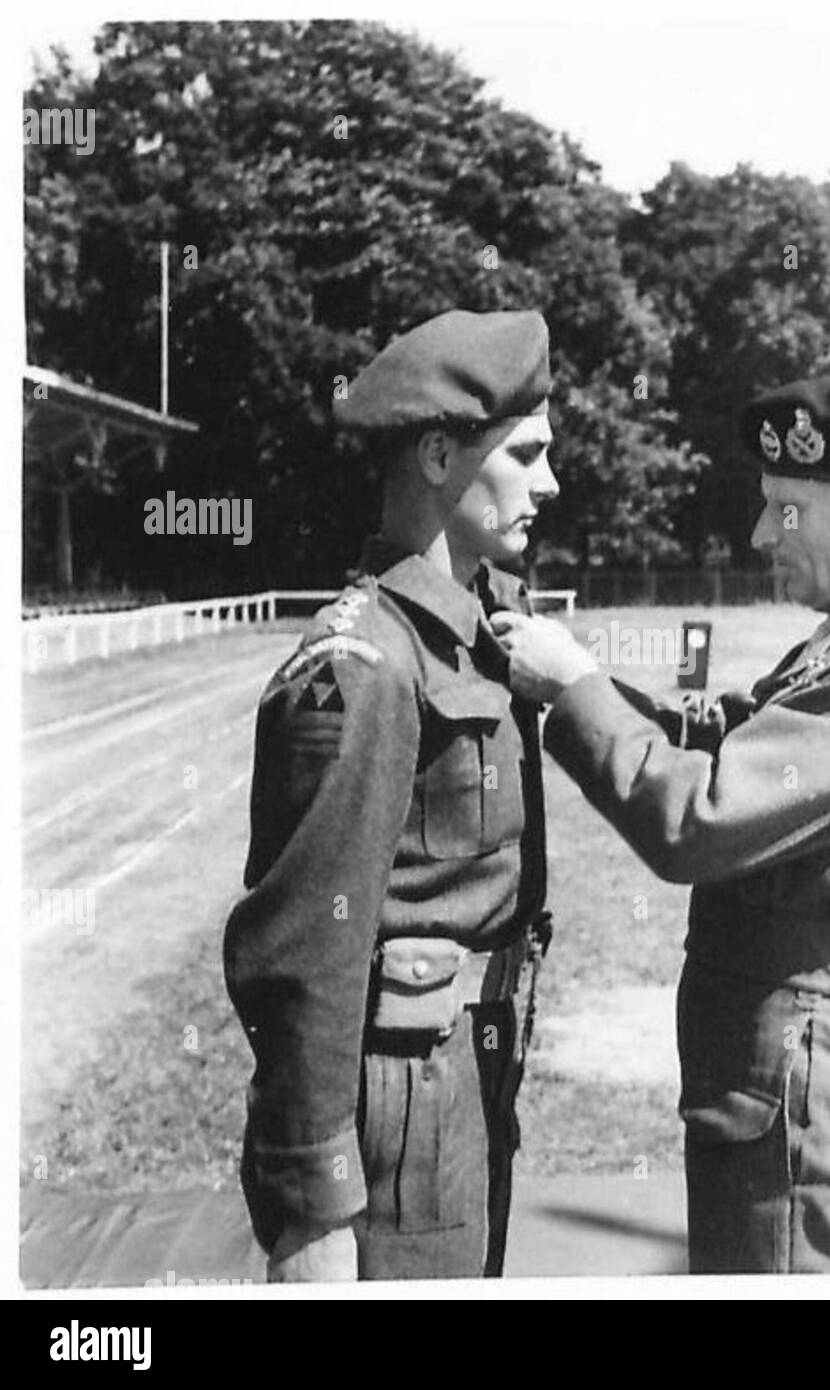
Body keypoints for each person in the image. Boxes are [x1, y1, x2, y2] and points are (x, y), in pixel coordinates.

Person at [495, 375, 830, 1273]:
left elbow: (696, 816)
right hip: (790, 1076)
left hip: (809, 1087)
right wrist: (586, 680)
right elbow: (728, 736)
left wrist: (571, 690)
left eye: (787, 511)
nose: (763, 535)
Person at [224, 308, 559, 1281]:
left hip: (468, 1070)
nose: (551, 482)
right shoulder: (364, 663)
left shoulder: (477, 629)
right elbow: (303, 954)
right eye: (528, 453)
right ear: (441, 454)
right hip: (391, 1108)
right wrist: (313, 1210)